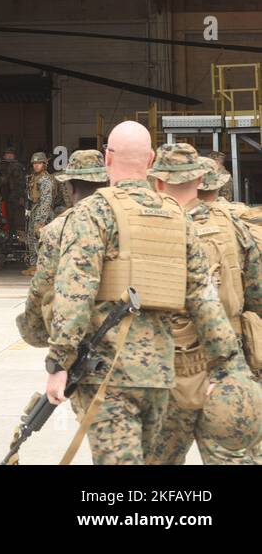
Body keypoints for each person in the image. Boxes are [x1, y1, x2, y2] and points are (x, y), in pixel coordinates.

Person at [45, 126, 242, 464]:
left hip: (109, 375)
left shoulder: (92, 213)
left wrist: (58, 362)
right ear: (151, 161)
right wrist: (225, 365)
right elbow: (202, 297)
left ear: (107, 158)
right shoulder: (177, 217)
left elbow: (75, 293)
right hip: (161, 376)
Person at [147, 154, 262, 465]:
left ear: (159, 182)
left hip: (169, 368)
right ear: (202, 182)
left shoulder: (148, 229)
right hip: (227, 364)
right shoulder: (238, 226)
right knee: (235, 458)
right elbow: (257, 297)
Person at [17, 150, 108, 348]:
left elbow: (42, 287)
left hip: (77, 340)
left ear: (71, 186)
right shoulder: (124, 221)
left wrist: (35, 332)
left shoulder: (58, 229)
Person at [25, 152, 56, 277]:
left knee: (40, 239)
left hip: (43, 212)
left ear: (44, 164)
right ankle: (34, 265)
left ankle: (42, 267)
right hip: (34, 209)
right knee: (31, 238)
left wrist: (40, 220)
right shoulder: (34, 177)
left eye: (39, 163)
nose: (36, 166)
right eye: (34, 163)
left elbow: (46, 200)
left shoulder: (45, 180)